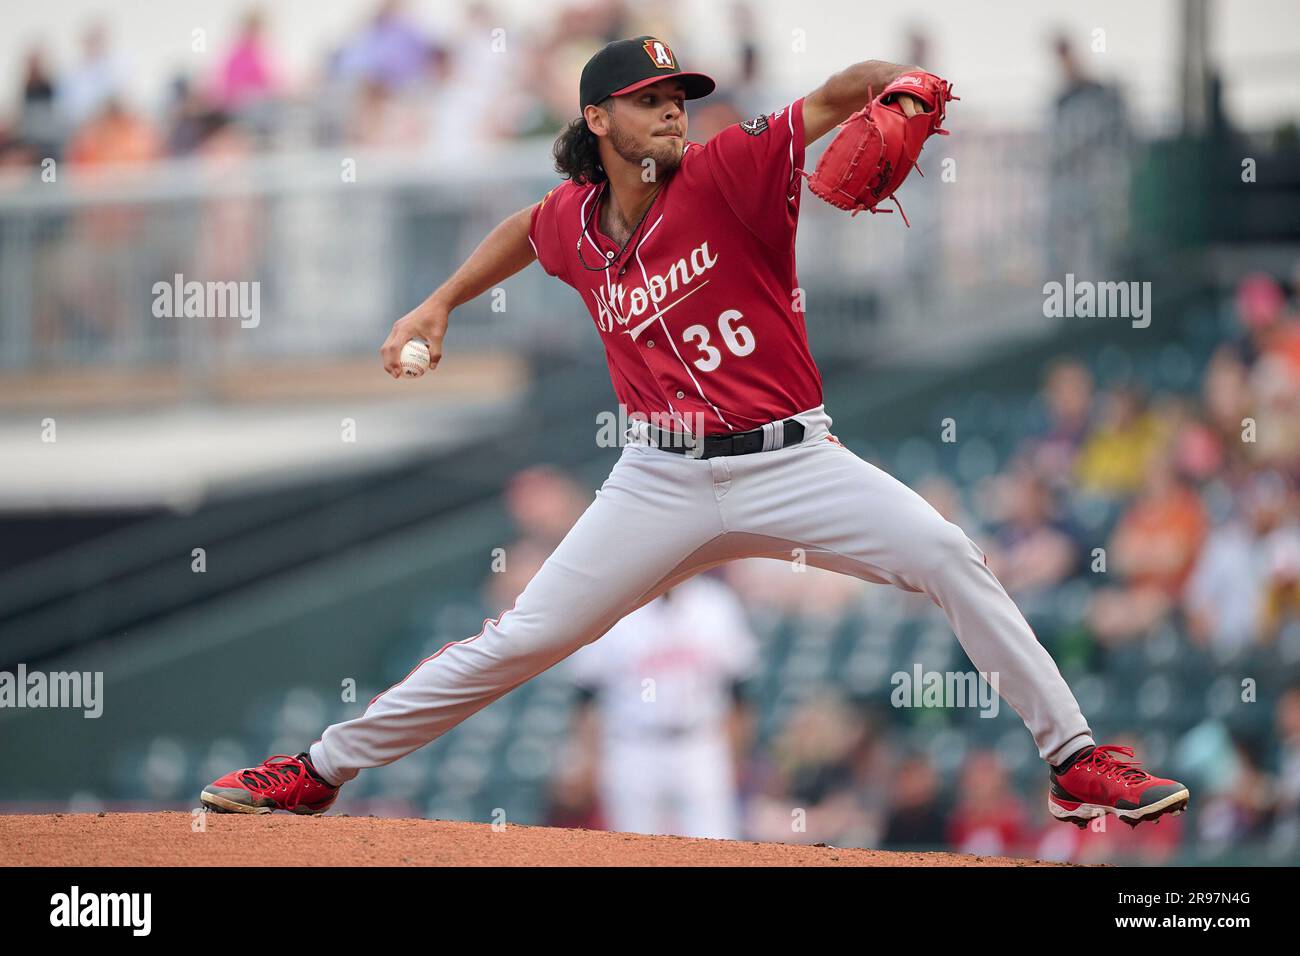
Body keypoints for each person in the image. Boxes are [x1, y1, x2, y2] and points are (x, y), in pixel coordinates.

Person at [201, 36, 1189, 832]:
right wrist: (439, 302)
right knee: (522, 638)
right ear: (598, 119)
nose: (674, 106)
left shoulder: (731, 170)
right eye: (650, 95)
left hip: (793, 459)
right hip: (657, 479)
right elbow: (522, 227)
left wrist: (905, 80)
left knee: (946, 549)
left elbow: (841, 91)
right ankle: (321, 768)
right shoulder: (574, 222)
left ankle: (1072, 759)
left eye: (679, 93)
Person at [563, 575, 757, 839]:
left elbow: (739, 689)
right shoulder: (613, 606)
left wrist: (737, 756)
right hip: (632, 745)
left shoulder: (715, 603)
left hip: (700, 743)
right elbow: (585, 694)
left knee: (716, 842)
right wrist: (587, 756)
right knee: (633, 845)